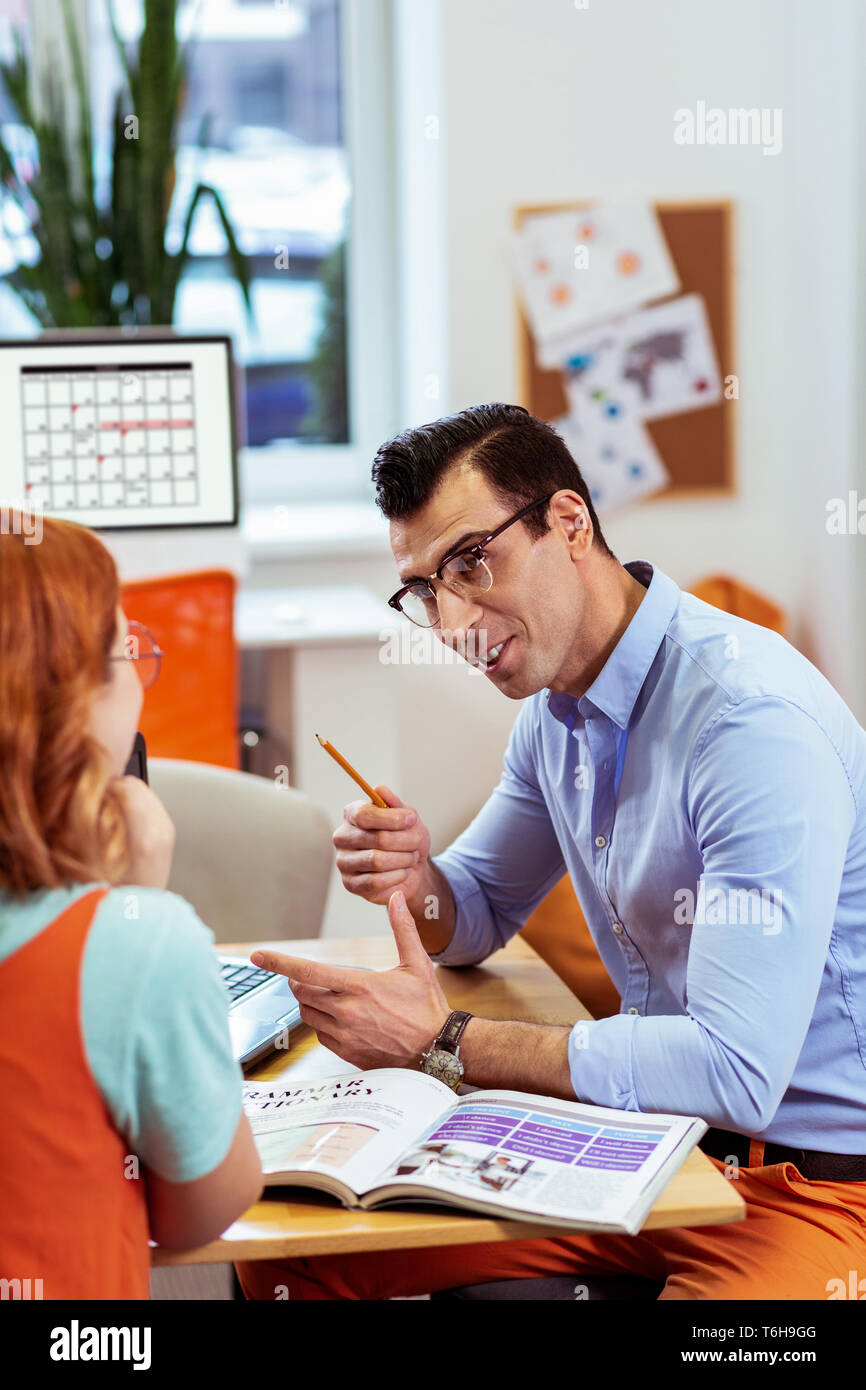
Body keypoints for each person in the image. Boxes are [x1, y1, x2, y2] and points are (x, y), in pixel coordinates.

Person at [237, 403, 866, 1301]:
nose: (450, 618)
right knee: (293, 1253)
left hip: (814, 1185)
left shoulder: (747, 725)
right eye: (422, 590)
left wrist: (446, 1041)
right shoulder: (555, 715)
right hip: (652, 1143)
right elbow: (477, 912)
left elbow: (735, 1071)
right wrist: (418, 880)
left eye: (469, 563)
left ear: (568, 522)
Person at [0, 511, 262, 1299]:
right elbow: (201, 1211)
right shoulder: (138, 949)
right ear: (74, 705)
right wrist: (139, 912)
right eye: (126, 653)